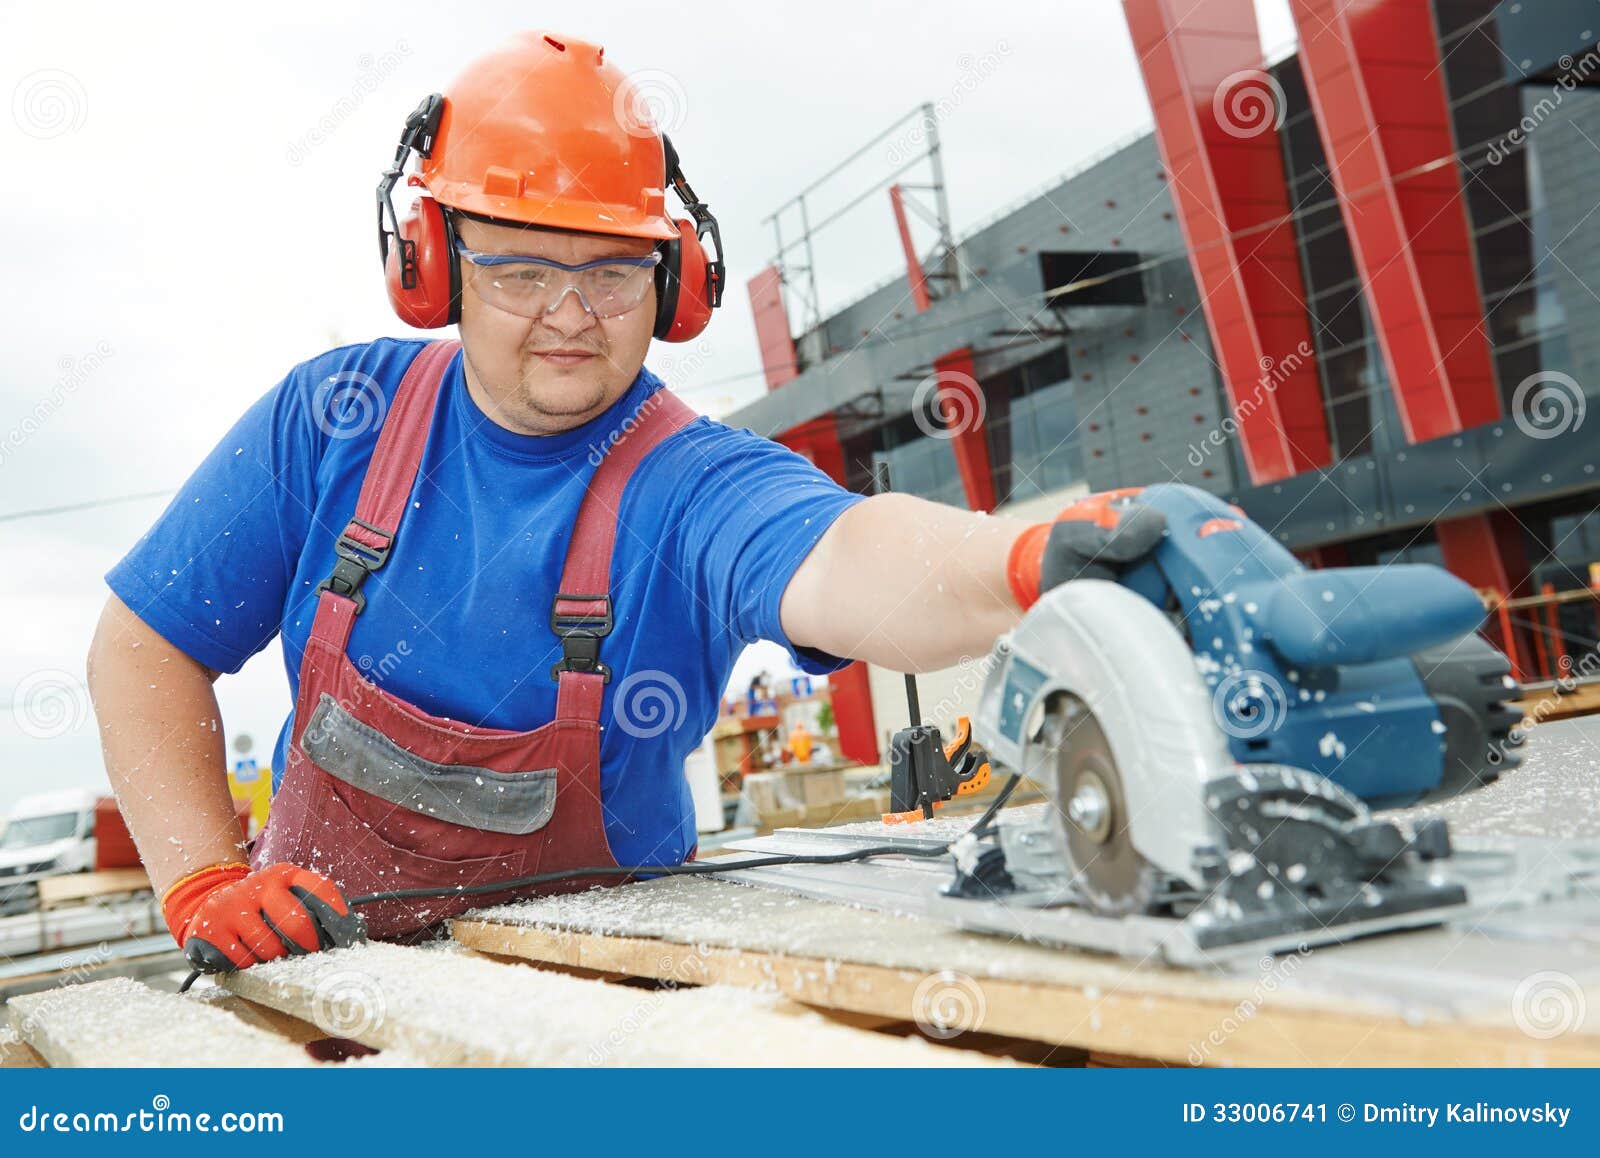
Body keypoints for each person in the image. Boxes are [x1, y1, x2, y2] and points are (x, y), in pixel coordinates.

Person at [85, 29, 1162, 972]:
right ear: (434, 264)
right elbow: (142, 647)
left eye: (610, 271)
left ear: (674, 282)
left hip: (603, 1019)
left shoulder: (691, 485)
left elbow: (848, 560)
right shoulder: (336, 419)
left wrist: (1024, 559)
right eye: (517, 271)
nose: (569, 314)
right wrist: (200, 880)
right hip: (318, 993)